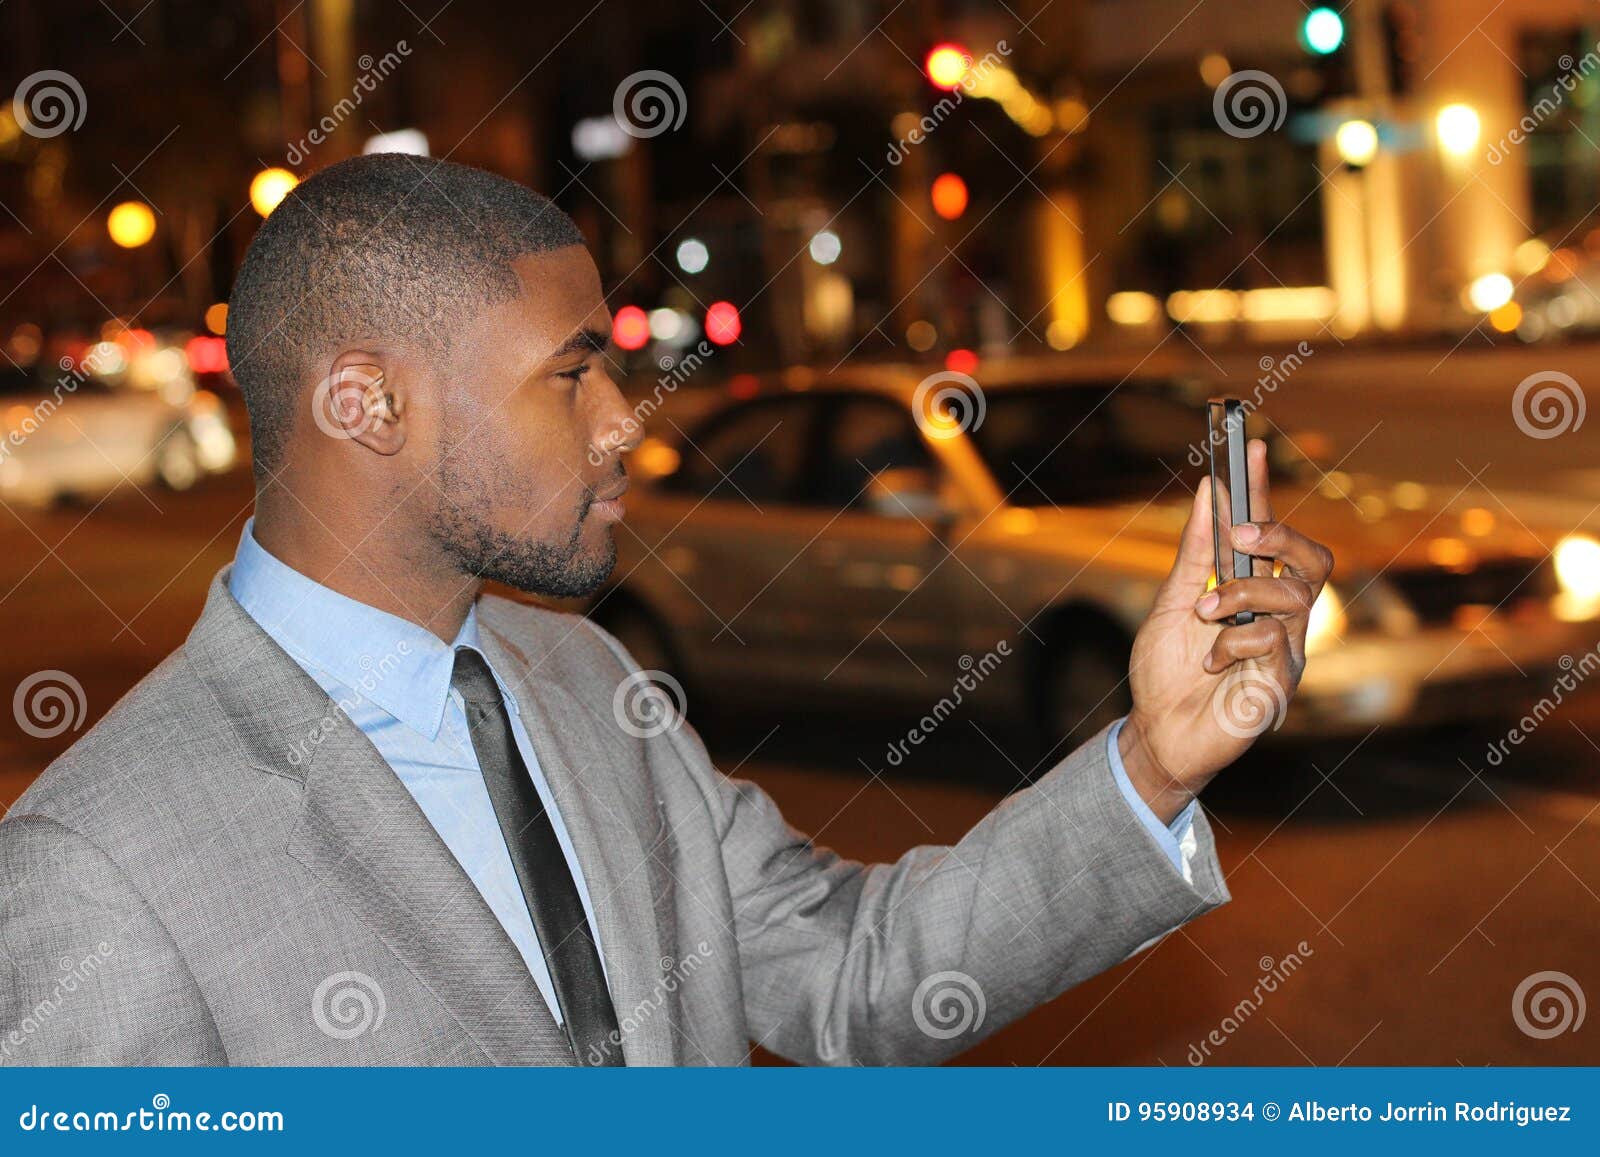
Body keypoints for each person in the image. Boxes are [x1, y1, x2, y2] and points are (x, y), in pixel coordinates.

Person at [0, 155, 1332, 1066]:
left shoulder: (587, 684)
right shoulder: (94, 868)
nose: (621, 424)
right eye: (570, 375)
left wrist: (1156, 761)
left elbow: (863, 974)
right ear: (367, 402)